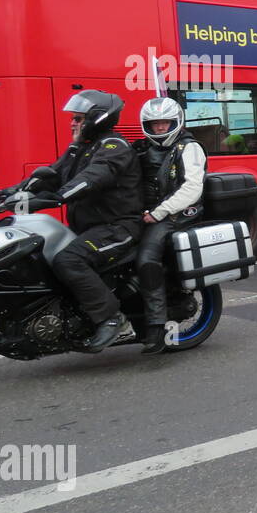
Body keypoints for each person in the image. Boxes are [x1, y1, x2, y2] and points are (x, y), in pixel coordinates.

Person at [37, 91, 144, 351]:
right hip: (92, 228)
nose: (72, 123)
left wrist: (57, 198)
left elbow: (92, 178)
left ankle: (112, 319)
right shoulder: (79, 147)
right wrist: (7, 194)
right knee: (42, 253)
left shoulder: (114, 147)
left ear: (97, 119)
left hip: (118, 228)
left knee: (68, 259)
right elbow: (50, 175)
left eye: (78, 118)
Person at [133, 97, 207, 354]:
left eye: (165, 123)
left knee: (146, 257)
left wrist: (159, 212)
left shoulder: (189, 147)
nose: (160, 128)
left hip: (177, 215)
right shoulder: (141, 148)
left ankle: (156, 325)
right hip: (148, 213)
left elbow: (192, 188)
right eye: (155, 124)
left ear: (175, 122)